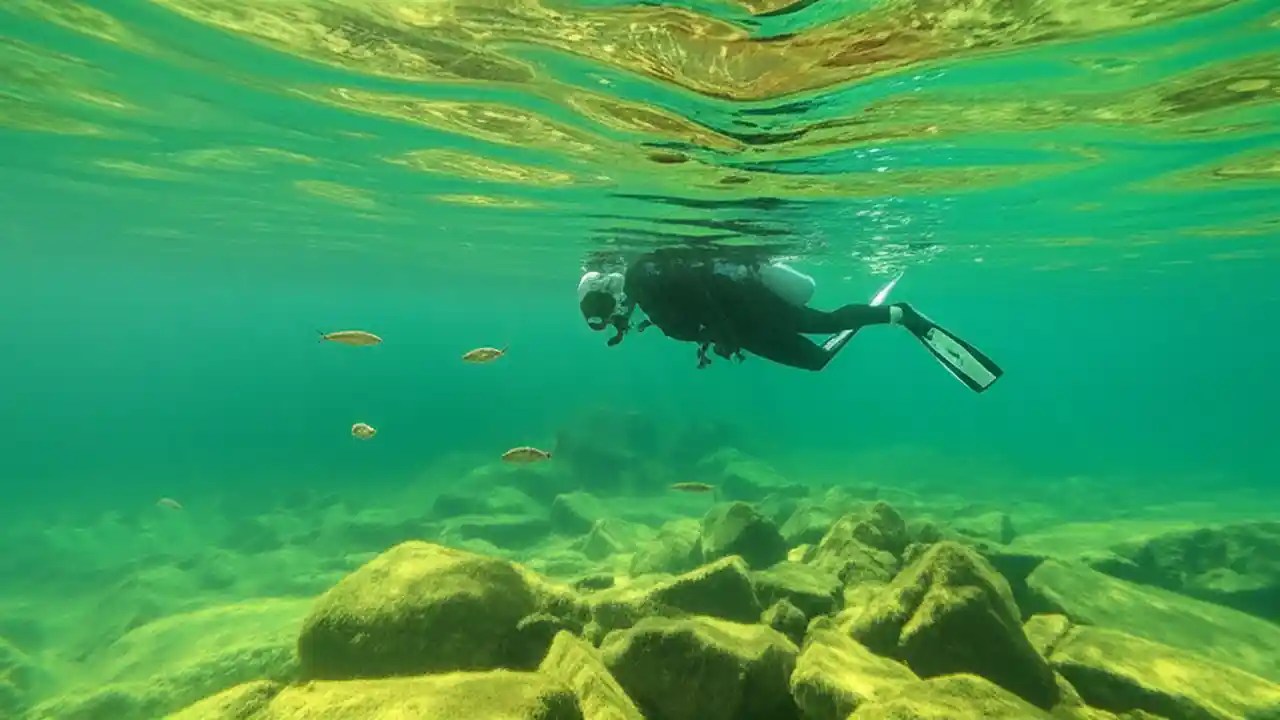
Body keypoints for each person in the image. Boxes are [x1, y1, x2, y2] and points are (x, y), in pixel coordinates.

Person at [576, 247, 1004, 393]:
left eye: (606, 314)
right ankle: (893, 314)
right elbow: (689, 311)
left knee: (826, 322)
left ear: (606, 294)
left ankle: (902, 316)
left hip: (749, 312)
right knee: (819, 357)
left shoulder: (641, 276)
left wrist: (721, 331)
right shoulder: (639, 289)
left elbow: (699, 291)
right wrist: (720, 335)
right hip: (742, 328)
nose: (616, 319)